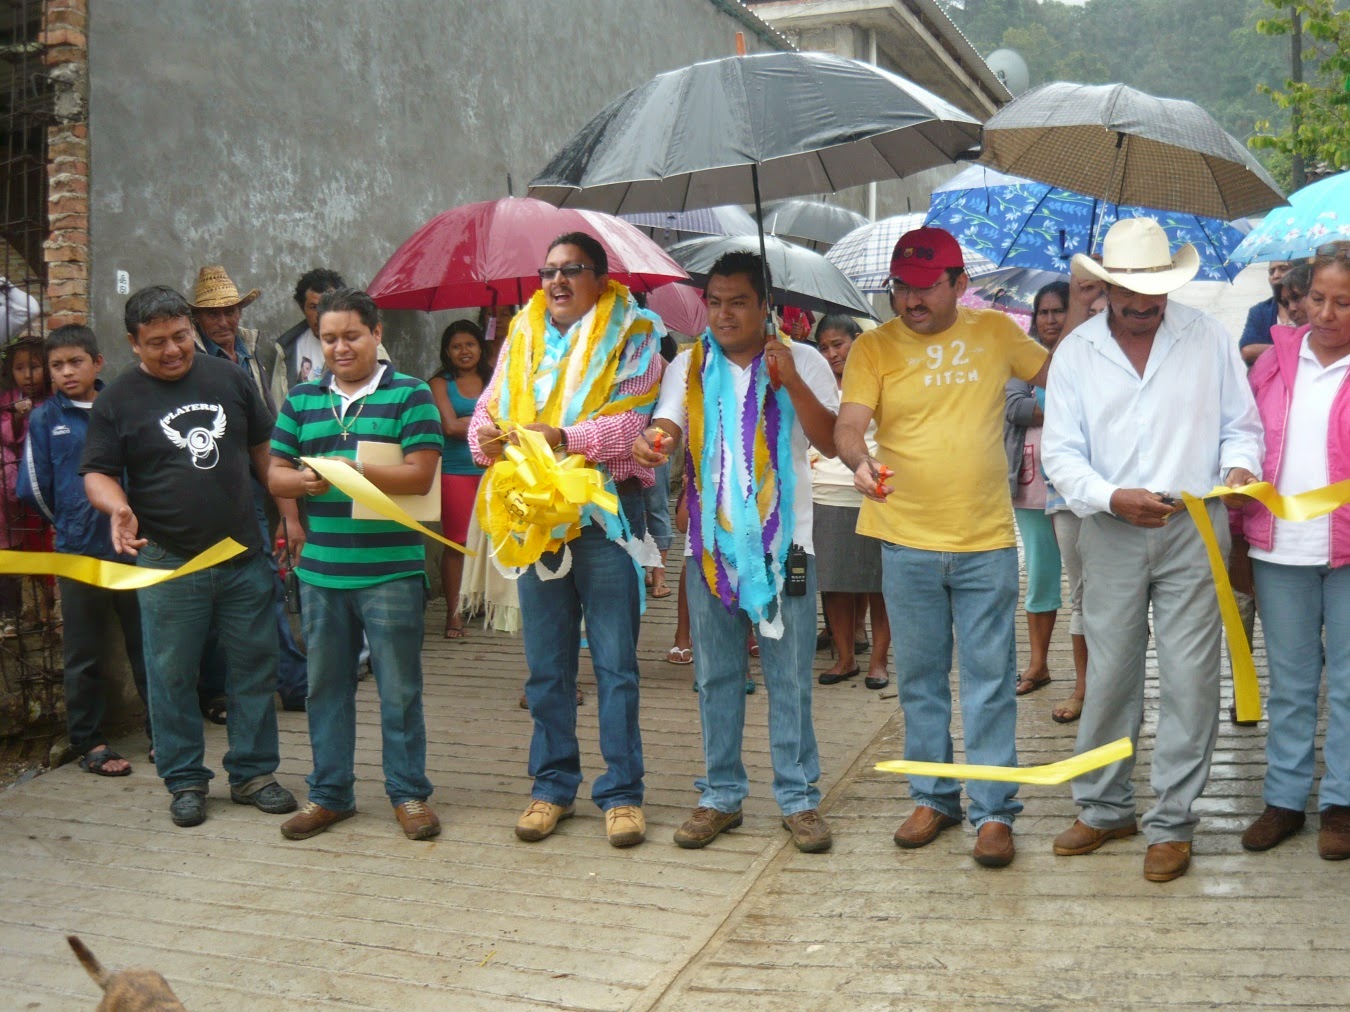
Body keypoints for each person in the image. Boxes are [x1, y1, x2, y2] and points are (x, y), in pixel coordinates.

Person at [1042, 217, 1263, 882]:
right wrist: (1112, 498)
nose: (1143, 309)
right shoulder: (1077, 353)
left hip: (1196, 520)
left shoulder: (1206, 337)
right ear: (1105, 287)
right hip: (1109, 525)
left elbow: (1240, 425)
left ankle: (1173, 821)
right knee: (1108, 674)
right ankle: (1106, 807)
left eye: (1155, 297)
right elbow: (1060, 452)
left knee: (1193, 678)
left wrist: (1239, 468)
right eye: (1130, 297)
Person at [835, 227, 1050, 869]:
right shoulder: (873, 347)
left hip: (986, 540)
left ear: (959, 283)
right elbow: (849, 425)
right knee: (921, 680)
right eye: (901, 286)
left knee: (989, 682)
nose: (910, 300)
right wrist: (858, 461)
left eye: (925, 286)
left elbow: (1070, 377)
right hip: (904, 540)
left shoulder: (998, 335)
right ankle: (934, 795)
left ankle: (993, 812)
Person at [636, 250, 840, 854]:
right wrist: (653, 442)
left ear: (764, 305)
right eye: (715, 302)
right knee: (715, 675)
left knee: (788, 677)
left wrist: (792, 382)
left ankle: (799, 798)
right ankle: (720, 794)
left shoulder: (800, 359)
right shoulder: (690, 365)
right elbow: (668, 426)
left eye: (739, 302)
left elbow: (828, 439)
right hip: (709, 552)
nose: (724, 314)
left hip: (788, 548)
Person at [469, 231, 661, 849]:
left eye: (571, 269)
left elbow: (634, 422)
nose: (555, 281)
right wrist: (490, 441)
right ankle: (551, 785)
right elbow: (486, 414)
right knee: (546, 667)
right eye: (547, 270)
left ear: (600, 279)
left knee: (615, 664)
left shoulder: (637, 335)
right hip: (537, 518)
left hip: (607, 514)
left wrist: (562, 439)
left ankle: (623, 794)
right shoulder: (521, 335)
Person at [81, 285, 296, 828]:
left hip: (243, 557)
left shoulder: (229, 378)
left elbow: (265, 452)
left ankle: (252, 774)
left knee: (254, 667)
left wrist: (290, 515)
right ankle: (184, 780)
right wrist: (118, 508)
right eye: (158, 343)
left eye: (180, 336)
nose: (173, 349)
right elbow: (98, 472)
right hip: (169, 561)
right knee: (171, 674)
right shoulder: (118, 400)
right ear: (134, 344)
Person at [269, 287, 445, 842]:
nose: (340, 348)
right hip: (321, 572)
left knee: (399, 688)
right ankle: (330, 795)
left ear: (377, 333)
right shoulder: (301, 400)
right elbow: (274, 472)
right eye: (328, 338)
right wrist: (301, 482)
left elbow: (421, 474)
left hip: (391, 570)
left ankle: (409, 793)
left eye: (351, 335)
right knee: (325, 688)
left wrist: (350, 469)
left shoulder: (411, 395)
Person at [1239, 240, 1350, 861]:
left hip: (1348, 549)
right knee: (1291, 681)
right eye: (1318, 298)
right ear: (1299, 298)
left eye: (1344, 302)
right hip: (1280, 547)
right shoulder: (1273, 364)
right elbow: (1245, 435)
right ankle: (1283, 798)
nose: (1328, 313)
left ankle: (1341, 803)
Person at [18, 325, 149, 776]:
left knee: (148, 643)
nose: (66, 372)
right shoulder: (42, 419)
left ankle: (162, 732)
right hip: (77, 554)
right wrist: (72, 525)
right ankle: (90, 742)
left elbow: (147, 471)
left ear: (98, 362)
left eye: (76, 362)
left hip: (134, 548)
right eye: (57, 366)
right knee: (83, 653)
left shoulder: (124, 408)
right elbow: (33, 489)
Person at [189, 265, 307, 712]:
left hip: (254, 484)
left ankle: (286, 683)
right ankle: (230, 688)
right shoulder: (197, 361)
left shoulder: (250, 353)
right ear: (198, 317)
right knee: (225, 588)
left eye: (231, 310)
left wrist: (288, 508)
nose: (224, 321)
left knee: (262, 584)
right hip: (210, 485)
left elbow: (267, 428)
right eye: (213, 313)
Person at [811, 314, 891, 691]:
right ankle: (845, 658)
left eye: (838, 344)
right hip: (825, 489)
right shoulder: (814, 381)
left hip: (875, 488)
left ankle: (878, 661)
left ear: (858, 340)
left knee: (879, 582)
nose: (831, 354)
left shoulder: (881, 374)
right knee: (835, 582)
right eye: (823, 347)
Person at [1004, 282, 1070, 699]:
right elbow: (1014, 408)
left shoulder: (1089, 354)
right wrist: (1065, 407)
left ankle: (1097, 674)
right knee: (1041, 574)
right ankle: (1038, 663)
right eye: (1043, 312)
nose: (1049, 319)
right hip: (1032, 487)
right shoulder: (1022, 359)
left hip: (1081, 492)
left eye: (1058, 311)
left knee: (1092, 581)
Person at [428, 320, 490, 639]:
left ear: (481, 347)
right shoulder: (439, 383)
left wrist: (468, 422)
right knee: (457, 542)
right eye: (456, 346)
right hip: (455, 471)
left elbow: (511, 421)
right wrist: (486, 427)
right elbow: (448, 427)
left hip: (496, 470)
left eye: (470, 344)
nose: (464, 351)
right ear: (447, 352)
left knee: (495, 540)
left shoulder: (495, 378)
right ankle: (453, 615)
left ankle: (483, 602)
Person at [0, 336, 52, 636]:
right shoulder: (8, 399)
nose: (28, 375)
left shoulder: (52, 400)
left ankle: (48, 609)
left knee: (41, 543)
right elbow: (6, 435)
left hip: (40, 487)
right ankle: (13, 614)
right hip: (9, 487)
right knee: (10, 543)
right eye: (20, 368)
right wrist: (18, 417)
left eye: (34, 366)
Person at [270, 268, 345, 408]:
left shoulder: (363, 344)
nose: (321, 314)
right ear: (302, 308)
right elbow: (279, 407)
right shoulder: (288, 349)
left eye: (328, 305)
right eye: (313, 307)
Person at [1239, 260, 1294, 365]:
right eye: (1271, 272)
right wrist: (1291, 349)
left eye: (1283, 269)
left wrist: (1268, 350)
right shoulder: (1260, 311)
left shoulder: (1309, 309)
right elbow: (1247, 351)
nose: (1276, 275)